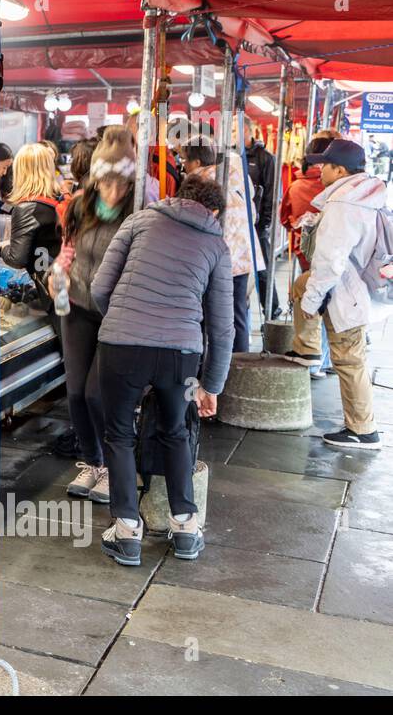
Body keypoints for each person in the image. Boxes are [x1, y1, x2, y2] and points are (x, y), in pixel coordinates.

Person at [91, 177, 234, 566]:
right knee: (176, 431)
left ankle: (127, 532)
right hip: (181, 354)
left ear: (178, 196)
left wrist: (123, 322)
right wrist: (213, 385)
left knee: (119, 433)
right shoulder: (217, 244)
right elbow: (222, 326)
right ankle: (186, 527)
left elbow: (100, 287)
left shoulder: (138, 222)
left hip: (122, 345)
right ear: (214, 211)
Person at [281, 139, 386, 449]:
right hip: (361, 288)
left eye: (324, 165)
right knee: (302, 285)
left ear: (339, 170)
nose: (319, 169)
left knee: (350, 359)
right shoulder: (366, 194)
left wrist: (313, 304)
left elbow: (330, 262)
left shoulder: (344, 204)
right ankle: (308, 349)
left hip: (348, 293)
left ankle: (363, 430)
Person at [56, 132, 136, 504]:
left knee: (96, 394)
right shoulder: (78, 206)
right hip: (76, 307)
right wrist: (57, 271)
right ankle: (93, 463)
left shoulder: (139, 211)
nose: (112, 192)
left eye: (120, 184)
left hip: (118, 314)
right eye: (106, 182)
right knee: (75, 392)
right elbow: (68, 249)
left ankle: (115, 467)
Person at [180, 136, 255, 352]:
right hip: (242, 254)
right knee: (236, 312)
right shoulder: (238, 173)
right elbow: (254, 212)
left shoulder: (199, 181)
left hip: (213, 256)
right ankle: (240, 365)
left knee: (209, 314)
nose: (184, 165)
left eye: (185, 160)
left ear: (195, 161)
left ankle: (209, 367)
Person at [281, 136, 333, 379]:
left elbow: (285, 218)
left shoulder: (296, 186)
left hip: (306, 252)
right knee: (325, 299)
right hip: (332, 254)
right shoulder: (335, 189)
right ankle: (321, 358)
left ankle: (314, 357)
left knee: (311, 295)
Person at [0, 142, 62, 307]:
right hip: (69, 284)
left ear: (22, 171)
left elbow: (17, 259)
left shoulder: (26, 208)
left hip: (51, 290)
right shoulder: (59, 198)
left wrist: (3, 248)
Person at [245, 137, 282, 319]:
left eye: (235, 128)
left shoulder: (265, 158)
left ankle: (271, 311)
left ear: (247, 131)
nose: (232, 132)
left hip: (257, 225)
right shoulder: (230, 154)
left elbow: (271, 192)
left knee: (263, 271)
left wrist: (265, 222)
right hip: (237, 223)